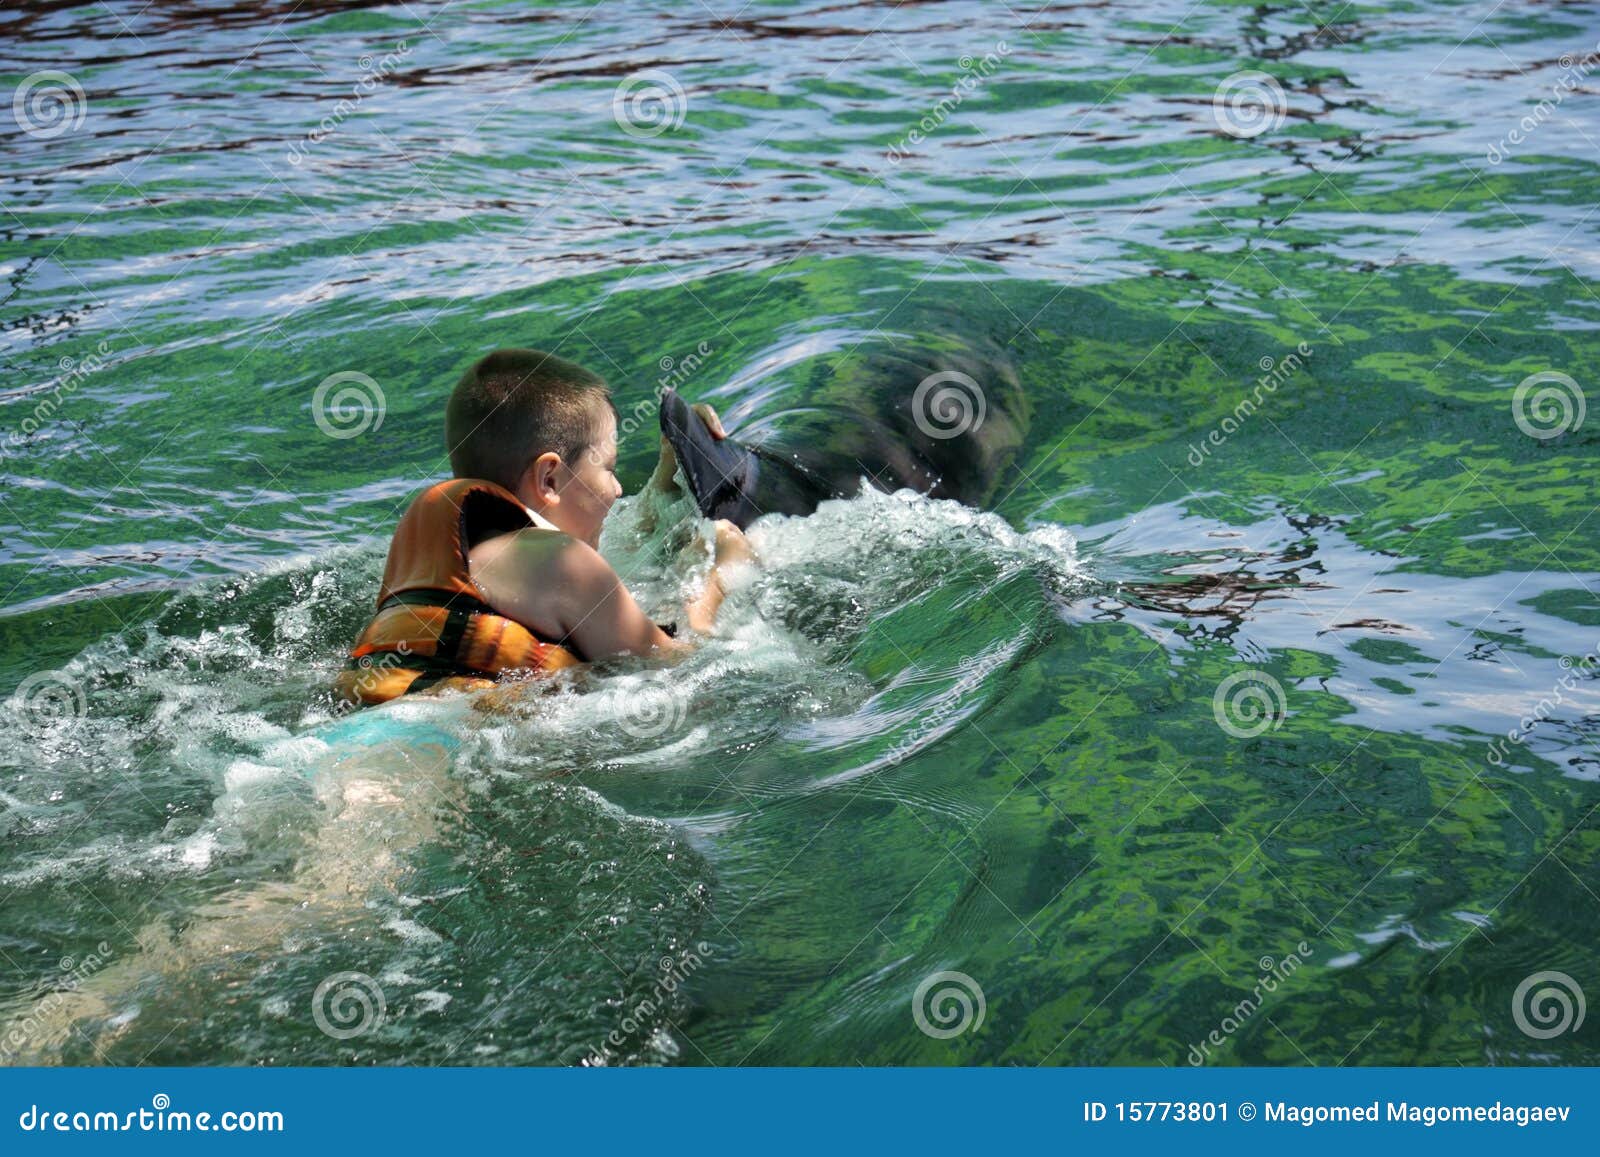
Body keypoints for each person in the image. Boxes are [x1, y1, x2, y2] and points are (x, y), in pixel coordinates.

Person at [335, 348, 751, 707]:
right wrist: (719, 575)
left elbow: (614, 560)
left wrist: (672, 469)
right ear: (549, 480)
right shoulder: (564, 561)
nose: (619, 487)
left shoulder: (466, 556)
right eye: (609, 468)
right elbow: (680, 670)